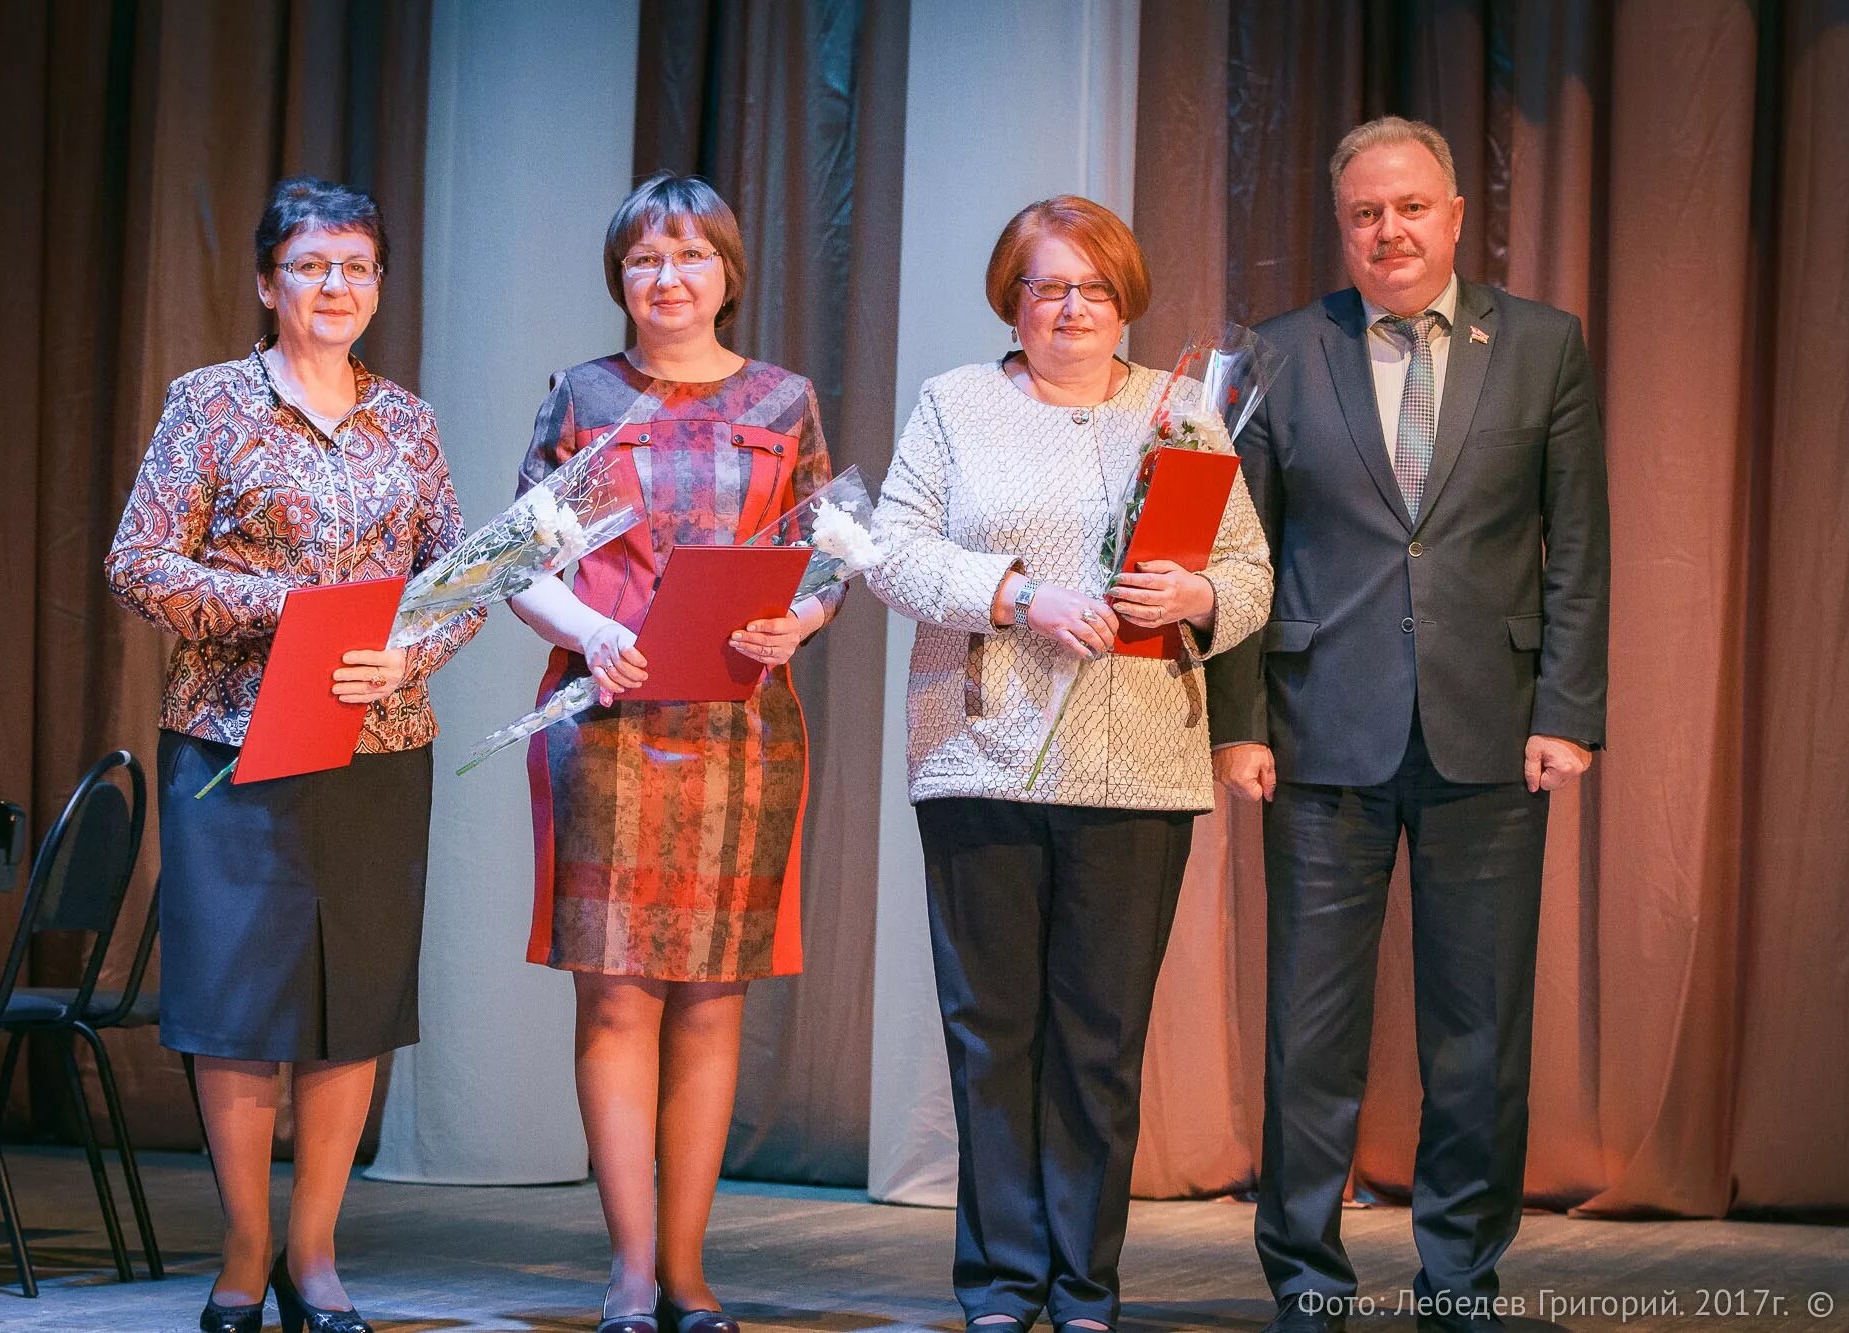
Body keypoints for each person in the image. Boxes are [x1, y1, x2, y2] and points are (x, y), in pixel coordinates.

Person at [1204, 117, 1611, 1333]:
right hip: (1316, 732)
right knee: (1309, 1028)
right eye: (1362, 215)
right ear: (1345, 229)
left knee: (1478, 1027)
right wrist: (1236, 723)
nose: (1388, 232)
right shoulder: (1280, 352)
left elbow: (1577, 542)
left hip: (1493, 731)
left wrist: (1567, 710)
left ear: (1452, 214)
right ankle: (1307, 1280)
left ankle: (1457, 1279)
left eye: (1409, 209)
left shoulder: (1541, 344)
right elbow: (1241, 551)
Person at [867, 196, 1271, 1333]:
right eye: (1045, 286)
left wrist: (1193, 595)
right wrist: (1013, 594)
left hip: (1137, 763)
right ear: (1012, 298)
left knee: (1098, 1039)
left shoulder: (1183, 412)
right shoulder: (954, 403)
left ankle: (1084, 1287)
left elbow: (1247, 573)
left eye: (1091, 288)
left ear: (1124, 298)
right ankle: (1000, 1286)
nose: (1069, 308)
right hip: (978, 755)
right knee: (990, 1033)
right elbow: (889, 551)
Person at [107, 176, 482, 1333]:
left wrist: (408, 655)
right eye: (312, 267)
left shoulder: (406, 421)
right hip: (234, 740)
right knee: (236, 1001)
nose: (336, 287)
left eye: (357, 268)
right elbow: (138, 560)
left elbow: (459, 580)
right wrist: (288, 608)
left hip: (378, 742)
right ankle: (244, 1247)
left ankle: (316, 1258)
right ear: (270, 282)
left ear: (378, 287)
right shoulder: (209, 404)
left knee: (349, 1000)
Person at [507, 172, 844, 1333]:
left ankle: (692, 1272)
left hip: (743, 727)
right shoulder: (578, 396)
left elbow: (824, 556)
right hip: (605, 723)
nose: (668, 278)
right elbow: (517, 565)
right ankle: (631, 1271)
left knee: (710, 1002)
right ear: (621, 277)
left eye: (692, 256)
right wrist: (595, 631)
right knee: (614, 1003)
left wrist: (795, 618)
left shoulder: (786, 399)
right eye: (646, 259)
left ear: (726, 273)